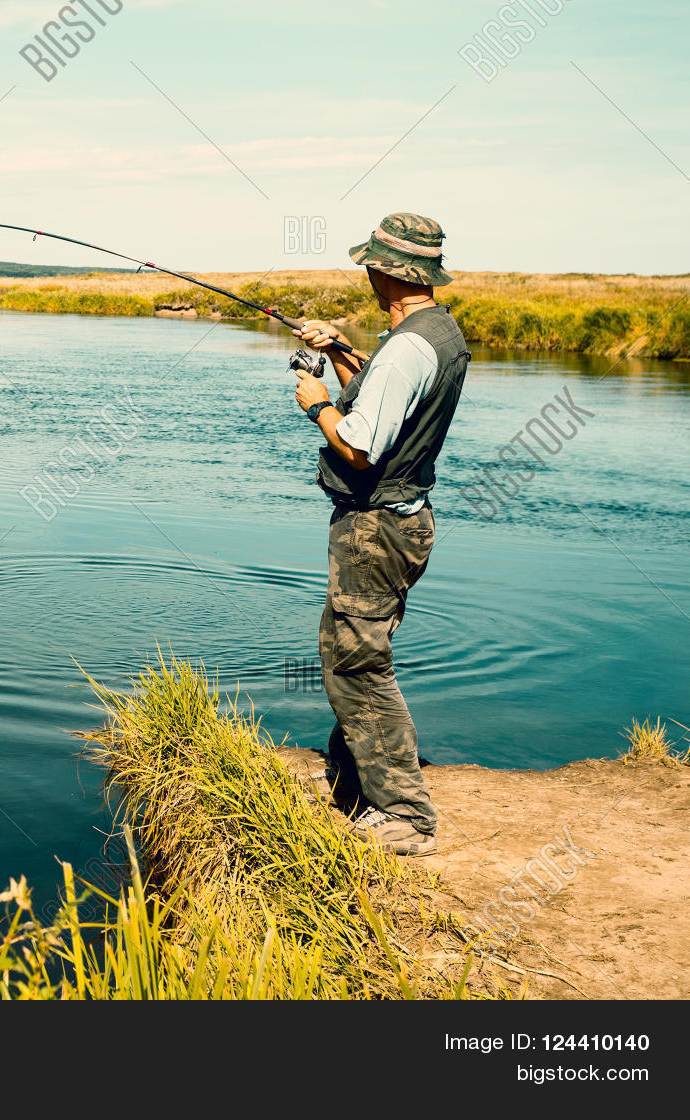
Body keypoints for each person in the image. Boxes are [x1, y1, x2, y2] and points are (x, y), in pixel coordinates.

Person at [291, 212, 470, 857]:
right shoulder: (435, 333)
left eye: (370, 263)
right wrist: (340, 352)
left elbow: (363, 444)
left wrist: (315, 402)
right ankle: (355, 782)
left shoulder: (407, 348)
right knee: (349, 649)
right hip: (402, 522)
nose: (364, 271)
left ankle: (403, 815)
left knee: (357, 662)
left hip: (376, 527)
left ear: (386, 272)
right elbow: (383, 399)